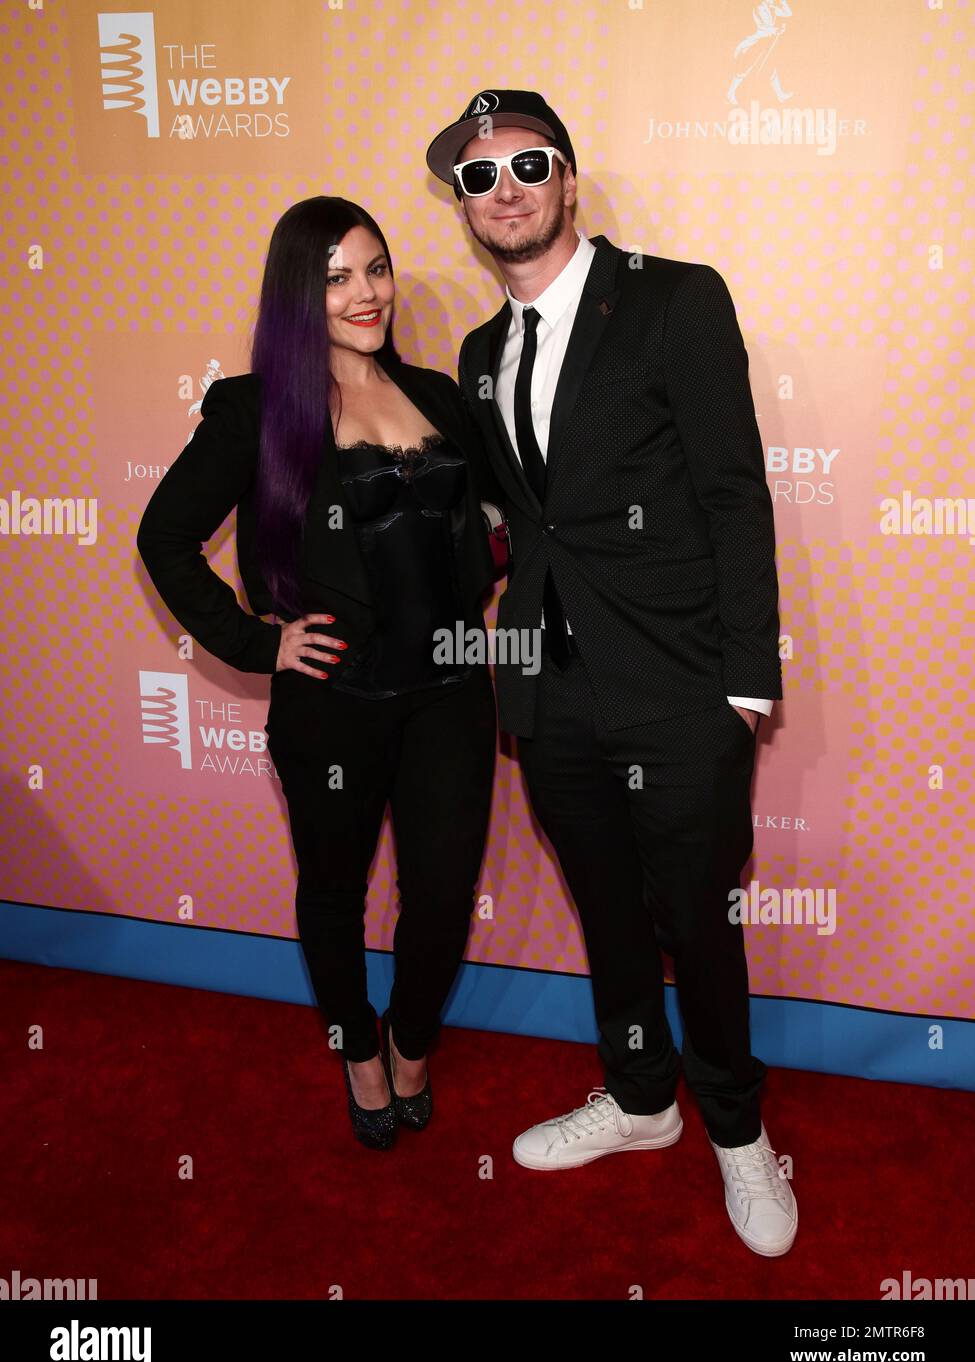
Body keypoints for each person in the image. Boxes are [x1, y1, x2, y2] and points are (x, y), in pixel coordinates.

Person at [425, 91, 797, 1254]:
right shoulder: (481, 355)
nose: (507, 190)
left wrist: (745, 684)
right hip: (550, 688)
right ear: (466, 208)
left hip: (683, 686)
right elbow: (517, 523)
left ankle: (739, 1133)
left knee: (697, 914)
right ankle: (642, 1101)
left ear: (568, 178)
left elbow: (736, 492)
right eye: (479, 178)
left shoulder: (676, 298)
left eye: (527, 164)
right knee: (609, 915)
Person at [136, 197, 498, 1151]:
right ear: (299, 291)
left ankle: (412, 1039)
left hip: (452, 695)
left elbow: (484, 537)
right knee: (332, 892)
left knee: (443, 890)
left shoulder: (442, 395)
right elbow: (165, 538)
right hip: (329, 704)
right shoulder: (257, 408)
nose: (365, 293)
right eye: (335, 276)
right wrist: (262, 644)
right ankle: (358, 1050)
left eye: (374, 269)